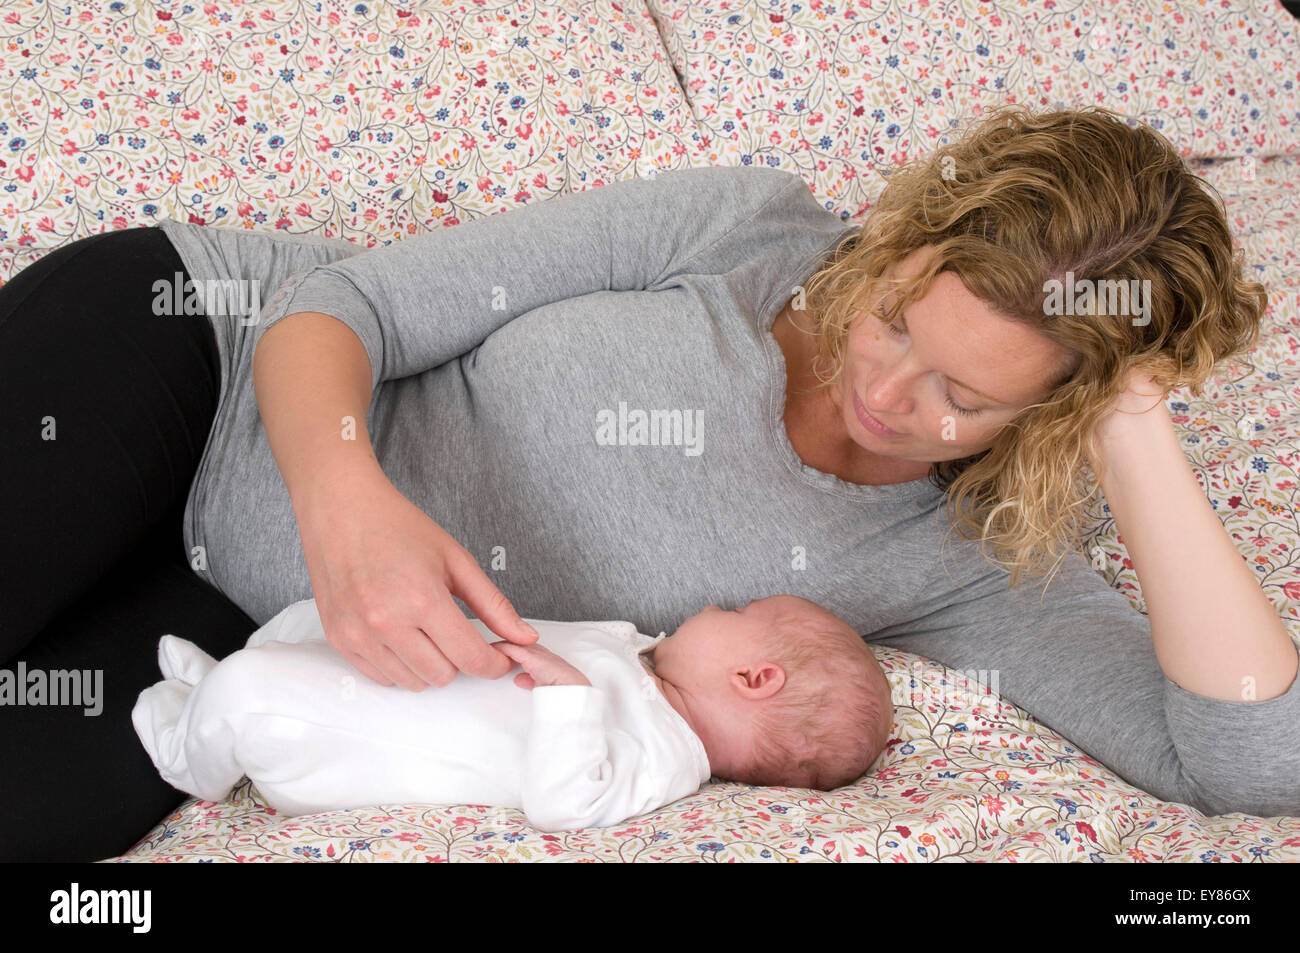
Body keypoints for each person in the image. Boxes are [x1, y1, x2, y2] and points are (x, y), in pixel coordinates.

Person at [3, 104, 1298, 862]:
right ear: (908, 242)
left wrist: (1136, 422)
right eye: (899, 318)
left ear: (1056, 414)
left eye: (962, 394)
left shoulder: (972, 557)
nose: (887, 389)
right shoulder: (747, 227)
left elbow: (1245, 763)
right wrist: (348, 507)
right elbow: (343, 306)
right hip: (204, 363)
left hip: (249, 621)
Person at [131, 594, 893, 830]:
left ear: (753, 677)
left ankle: (189, 752)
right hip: (393, 673)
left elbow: (566, 804)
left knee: (253, 696)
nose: (712, 603)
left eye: (736, 610)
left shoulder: (667, 759)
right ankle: (216, 688)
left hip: (345, 740)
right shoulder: (653, 661)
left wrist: (570, 697)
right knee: (309, 618)